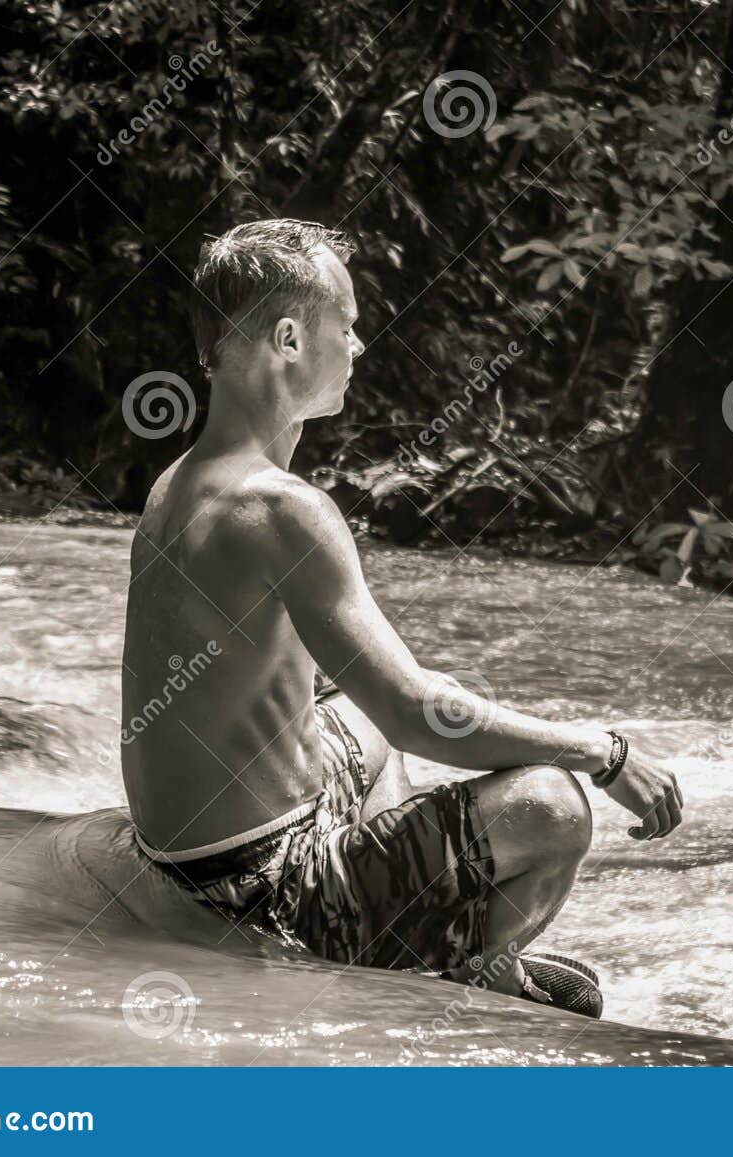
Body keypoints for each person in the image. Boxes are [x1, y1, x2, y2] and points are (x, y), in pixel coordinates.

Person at [118, 218, 682, 1014]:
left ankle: (424, 929)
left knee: (369, 721)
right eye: (344, 327)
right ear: (288, 338)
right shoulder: (285, 510)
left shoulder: (178, 482)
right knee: (554, 807)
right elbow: (420, 715)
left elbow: (395, 707)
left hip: (183, 869)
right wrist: (606, 751)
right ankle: (472, 970)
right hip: (266, 897)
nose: (359, 346)